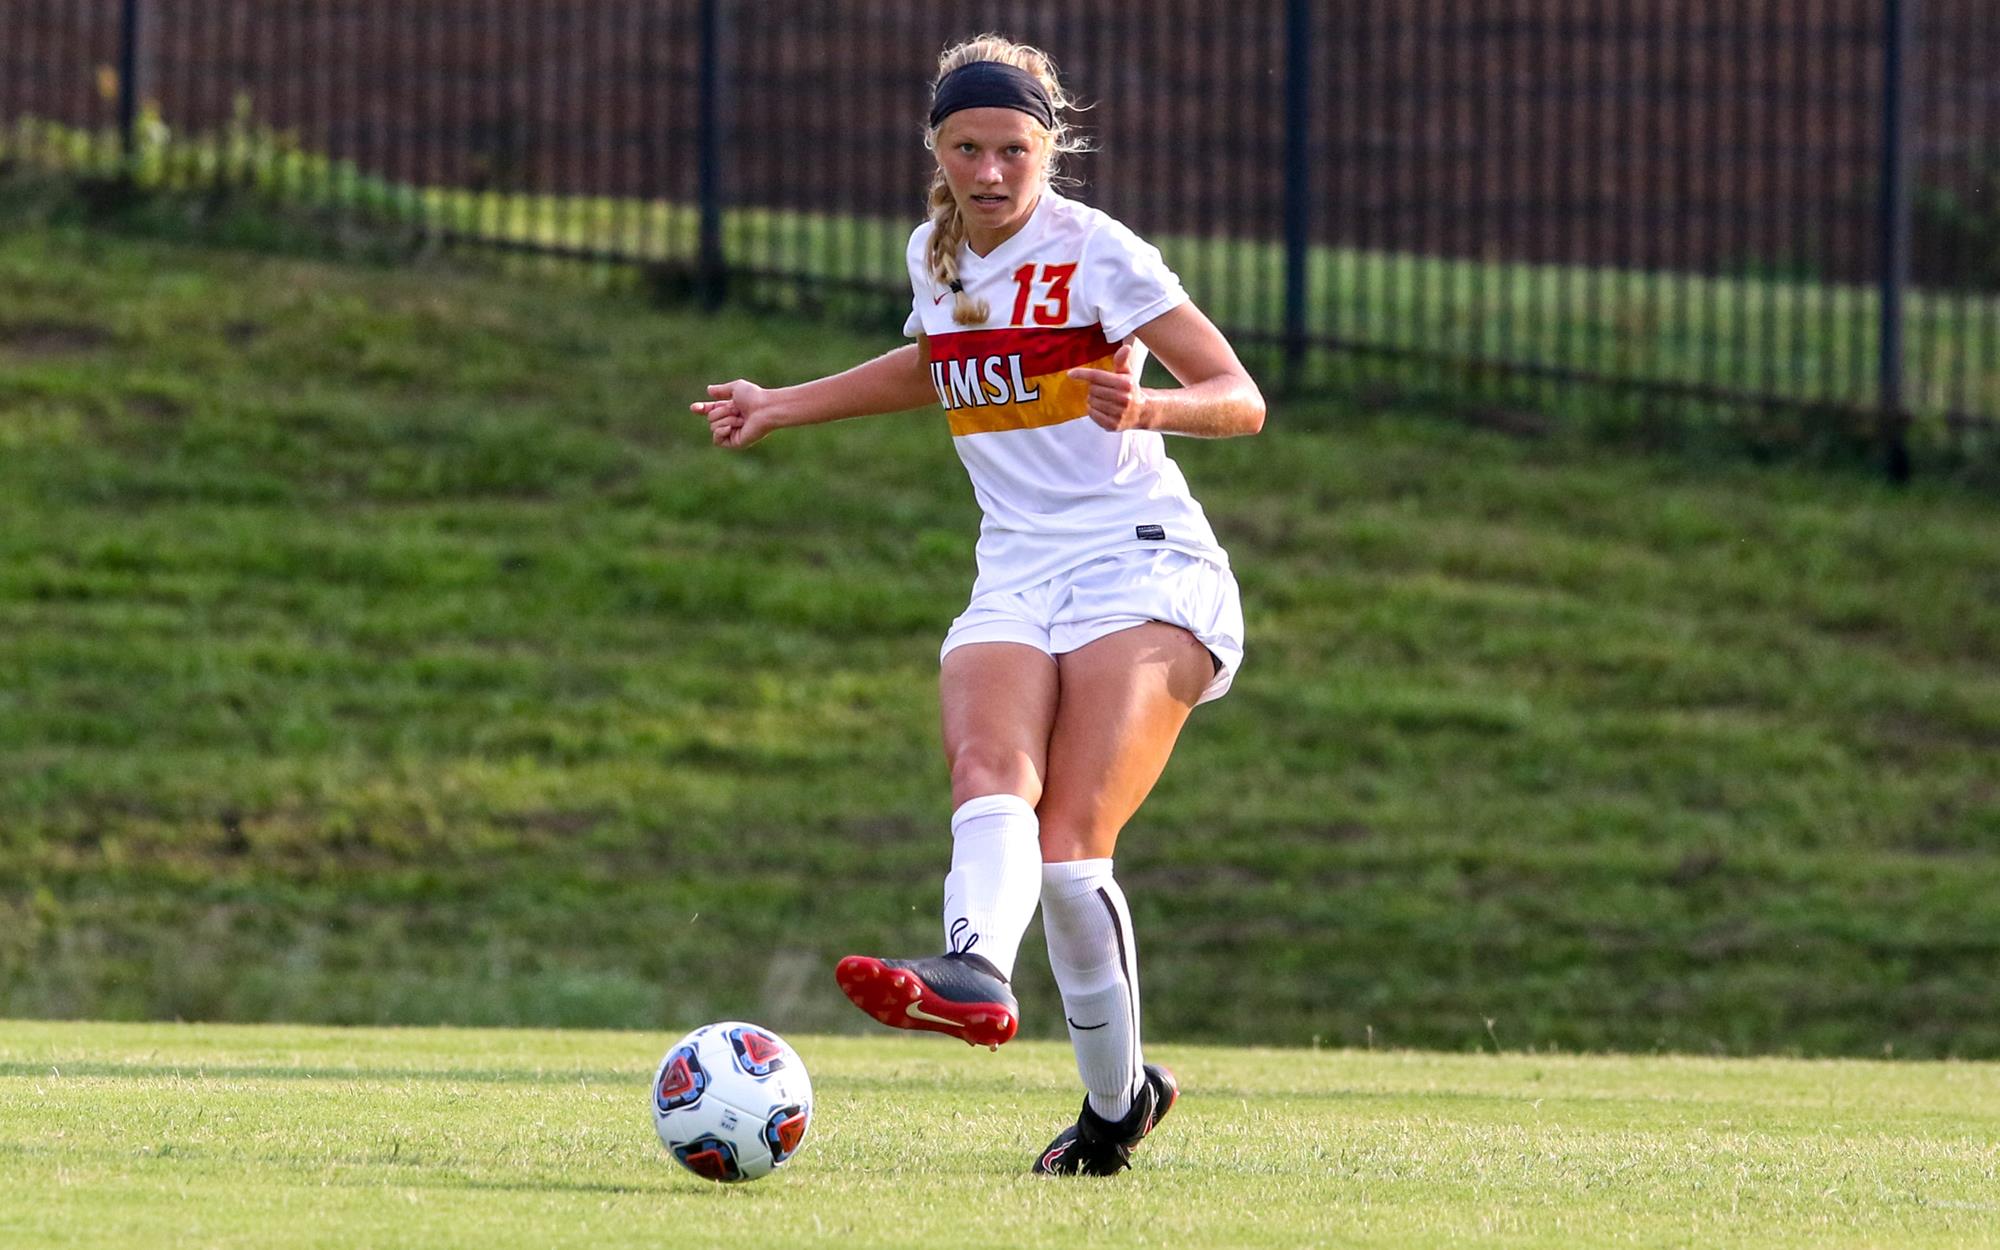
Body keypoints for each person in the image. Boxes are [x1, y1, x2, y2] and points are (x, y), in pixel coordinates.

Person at [691, 34, 1264, 1176]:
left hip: (1138, 559)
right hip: (1014, 565)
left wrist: (1150, 412)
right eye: (968, 148)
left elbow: (1236, 397)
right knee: (985, 771)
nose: (991, 171)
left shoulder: (1099, 253)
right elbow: (930, 364)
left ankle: (1113, 1108)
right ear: (936, 152)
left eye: (1013, 148)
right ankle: (975, 972)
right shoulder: (935, 254)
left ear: (1049, 150)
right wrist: (780, 403)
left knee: (1069, 853)